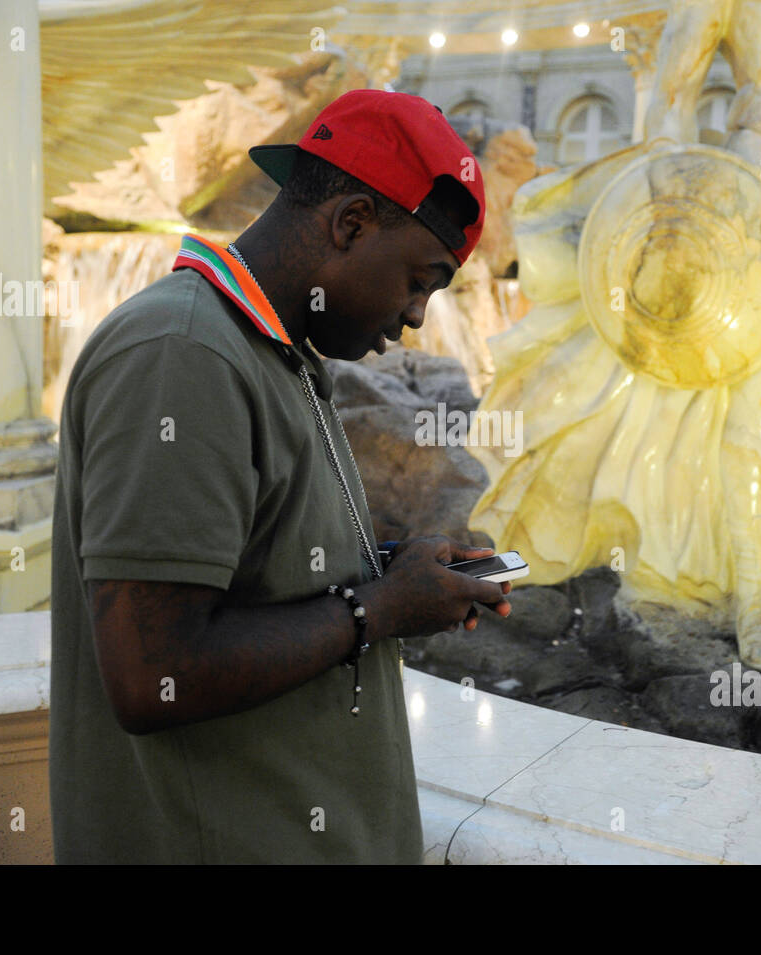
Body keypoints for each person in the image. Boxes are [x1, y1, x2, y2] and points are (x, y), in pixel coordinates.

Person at [49, 89, 511, 864]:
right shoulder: (183, 353)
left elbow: (261, 580)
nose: (417, 318)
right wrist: (380, 609)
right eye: (419, 280)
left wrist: (394, 572)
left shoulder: (281, 355)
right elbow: (152, 670)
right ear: (351, 222)